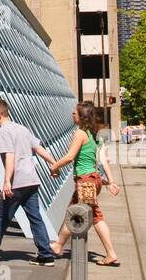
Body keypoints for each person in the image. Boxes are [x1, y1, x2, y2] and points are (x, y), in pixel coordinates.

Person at [0, 99, 59, 266]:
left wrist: (6, 181)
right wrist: (54, 163)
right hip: (31, 180)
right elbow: (39, 148)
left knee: (2, 216)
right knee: (35, 218)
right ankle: (46, 255)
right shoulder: (22, 128)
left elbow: (10, 156)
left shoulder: (3, 132)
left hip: (17, 182)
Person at [50, 102, 121, 266]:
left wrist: (54, 166)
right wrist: (111, 181)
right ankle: (58, 246)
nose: (72, 114)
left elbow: (69, 157)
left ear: (82, 116)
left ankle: (110, 253)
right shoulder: (95, 135)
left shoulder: (80, 133)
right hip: (92, 180)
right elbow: (103, 160)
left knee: (87, 215)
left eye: (74, 113)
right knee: (82, 213)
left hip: (85, 182)